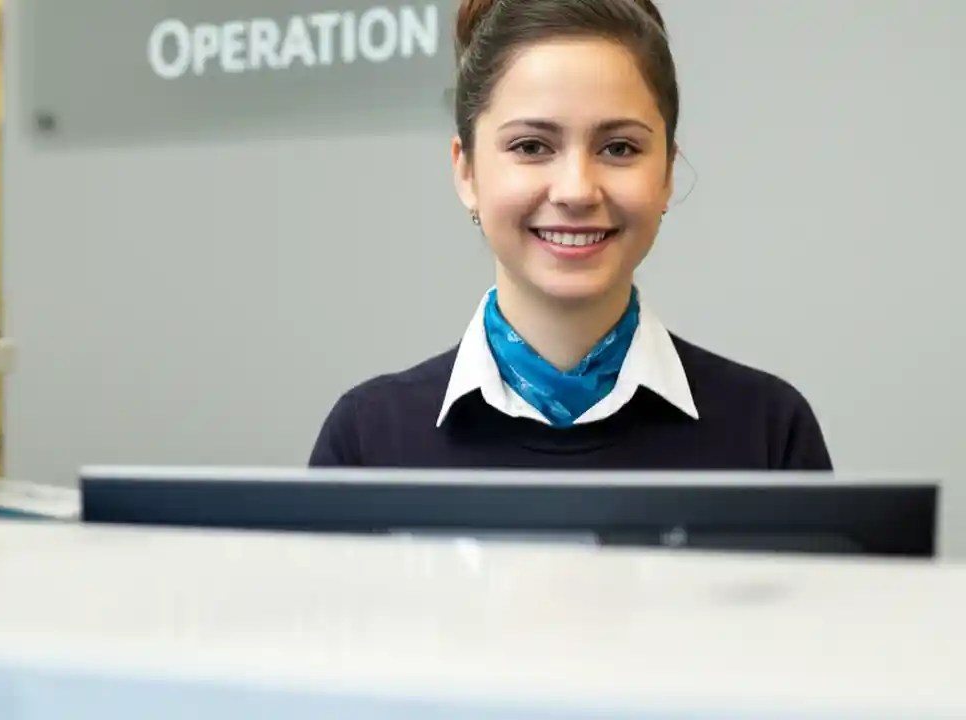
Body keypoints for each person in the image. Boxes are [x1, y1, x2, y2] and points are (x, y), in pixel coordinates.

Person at [310, 0, 831, 470]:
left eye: (620, 148)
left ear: (667, 173)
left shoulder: (769, 434)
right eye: (532, 146)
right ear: (466, 171)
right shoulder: (368, 440)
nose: (577, 190)